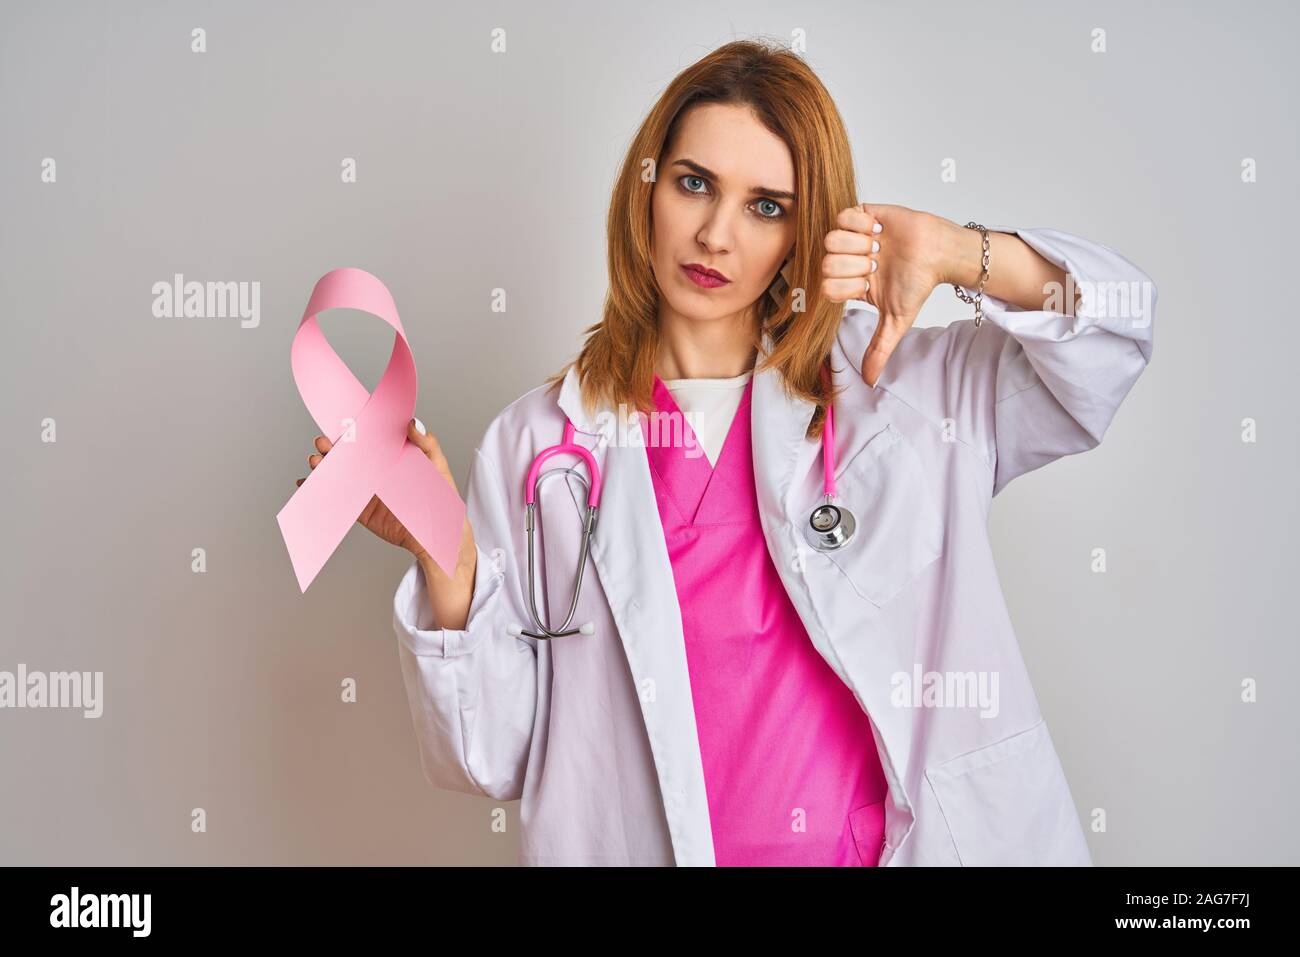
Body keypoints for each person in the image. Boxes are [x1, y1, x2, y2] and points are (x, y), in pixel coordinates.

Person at [296, 39, 1156, 866]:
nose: (715, 234)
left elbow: (1113, 334)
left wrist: (960, 251)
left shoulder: (898, 391)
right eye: (694, 183)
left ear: (803, 229)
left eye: (765, 206)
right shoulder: (541, 445)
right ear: (647, 189)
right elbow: (494, 755)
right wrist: (445, 555)